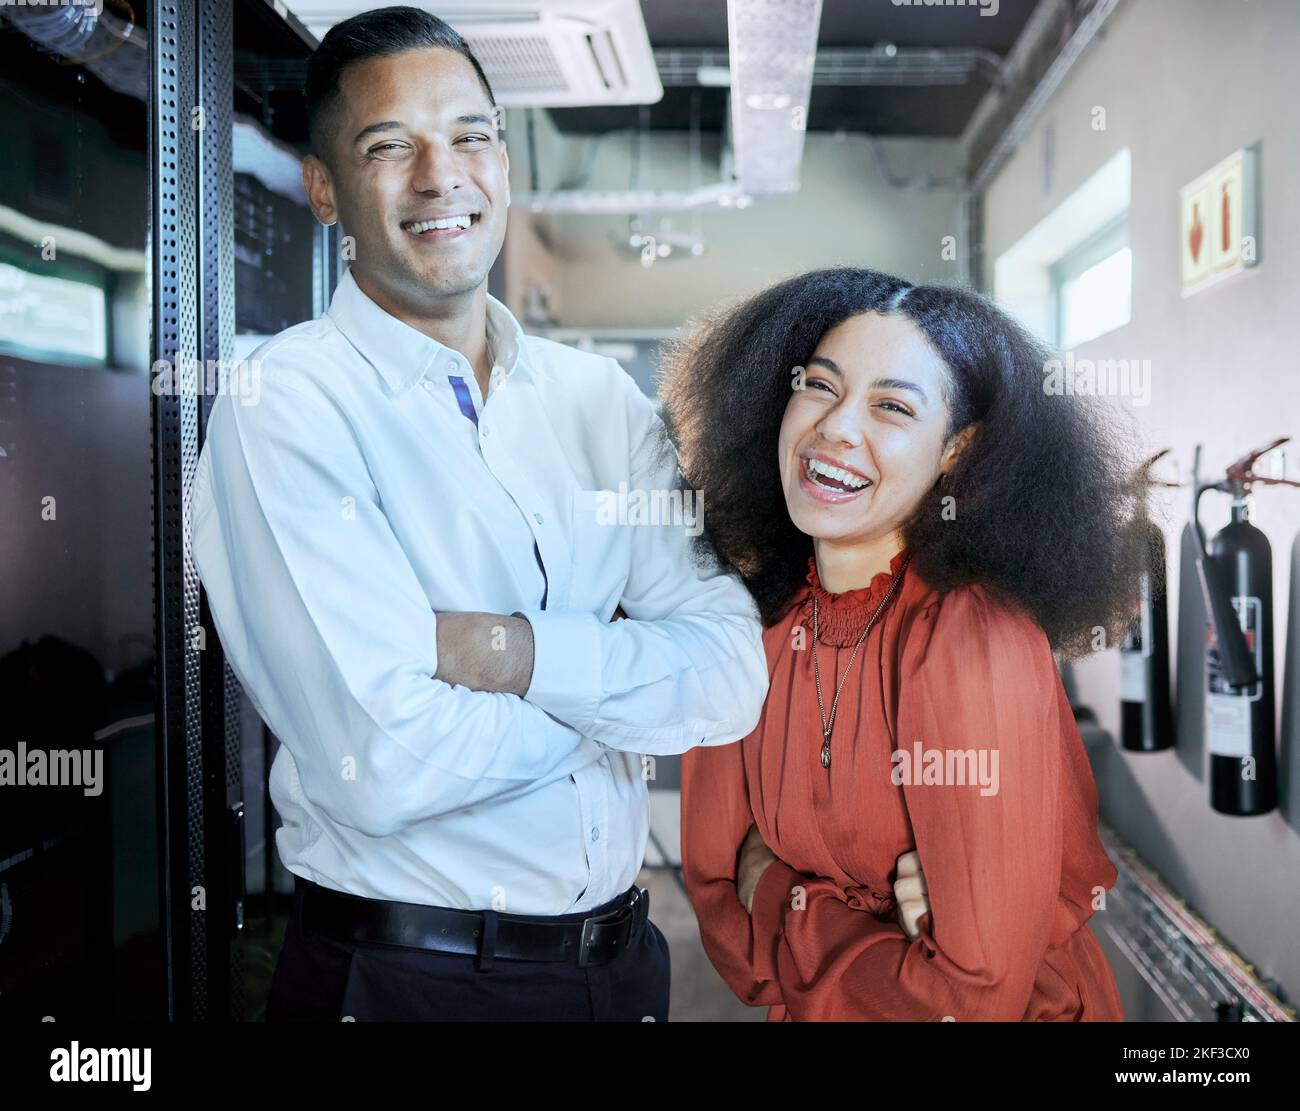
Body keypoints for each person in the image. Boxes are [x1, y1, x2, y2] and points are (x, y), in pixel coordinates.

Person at [190, 6, 768, 1022]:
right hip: (413, 980)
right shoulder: (287, 401)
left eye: (469, 136)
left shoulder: (598, 400)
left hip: (620, 969)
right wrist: (619, 699)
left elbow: (728, 676)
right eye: (388, 146)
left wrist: (508, 654)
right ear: (324, 189)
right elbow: (389, 762)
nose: (439, 175)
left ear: (502, 159)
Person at [663, 268, 1147, 1021]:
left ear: (958, 448)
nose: (835, 427)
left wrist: (781, 893)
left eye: (891, 405)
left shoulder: (969, 636)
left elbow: (968, 1000)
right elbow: (730, 931)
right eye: (819, 386)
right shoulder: (748, 621)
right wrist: (883, 937)